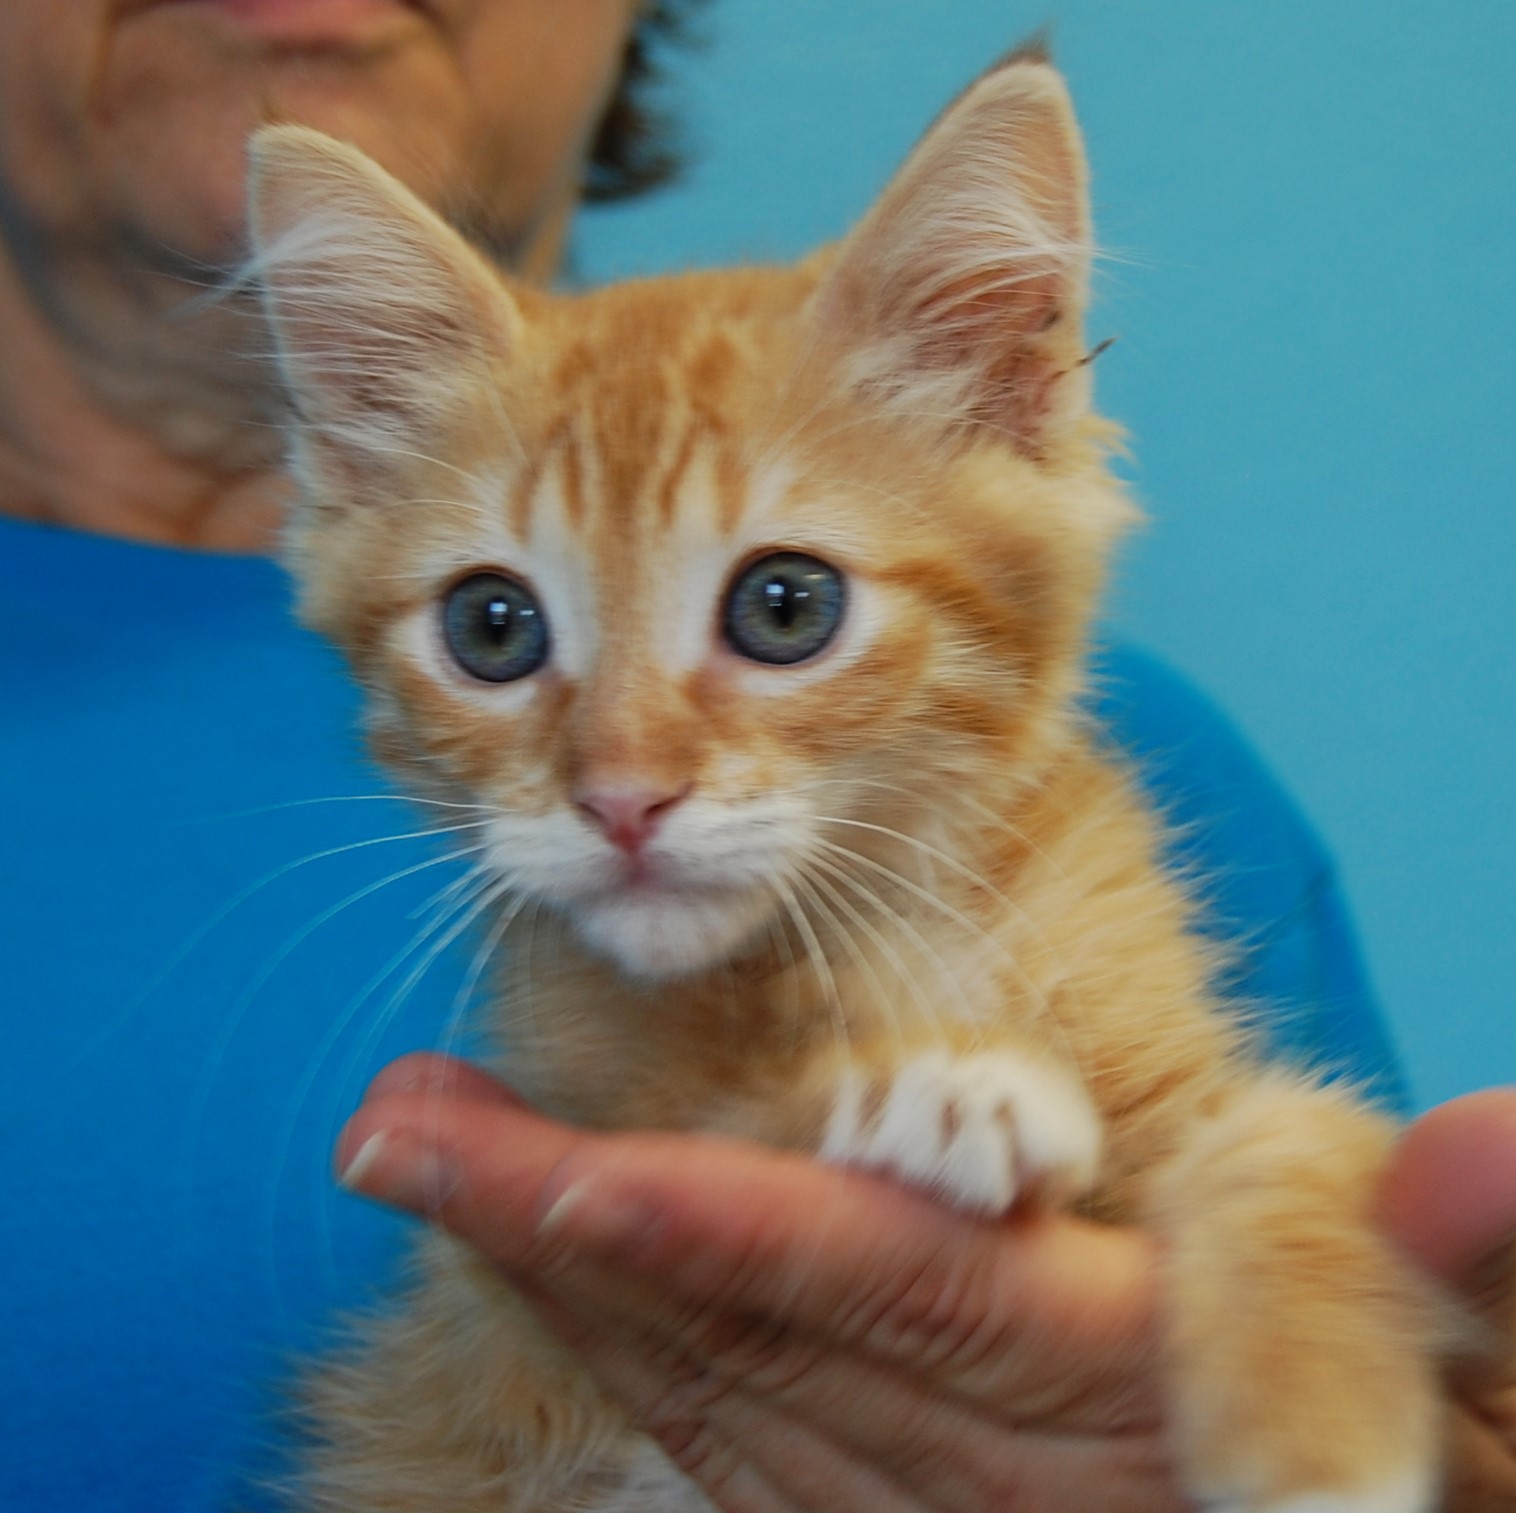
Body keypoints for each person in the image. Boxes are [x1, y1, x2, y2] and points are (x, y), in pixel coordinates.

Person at [0, 1, 1511, 1508]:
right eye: (502, 632)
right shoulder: (579, 973)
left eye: (780, 608)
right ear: (353, 454)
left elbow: (1258, 1173)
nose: (624, 777)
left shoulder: (1168, 775)